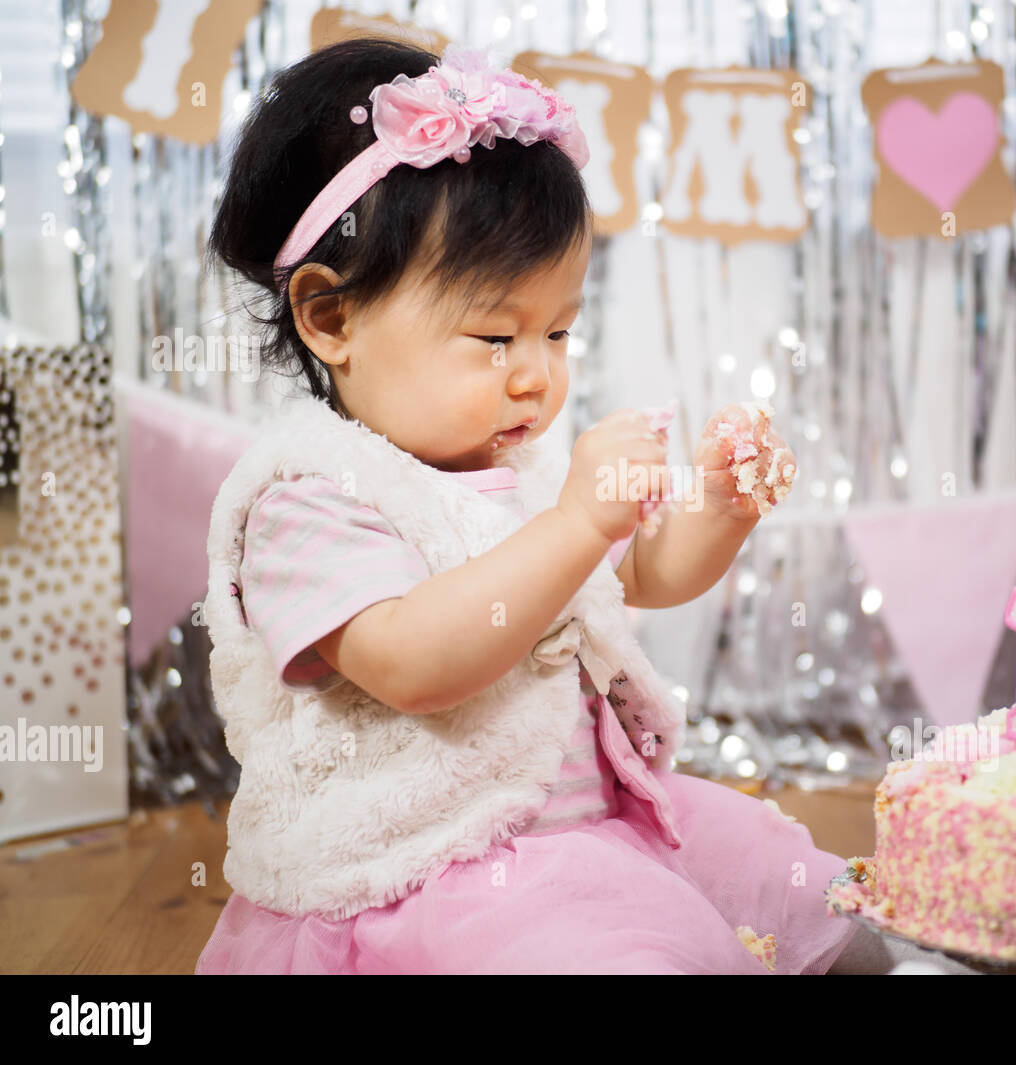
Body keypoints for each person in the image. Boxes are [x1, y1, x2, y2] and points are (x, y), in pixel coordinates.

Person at [194, 37, 968, 975]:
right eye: (494, 335)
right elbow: (411, 661)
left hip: (588, 823)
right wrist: (572, 525)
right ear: (331, 317)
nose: (537, 375)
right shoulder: (306, 497)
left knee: (769, 867)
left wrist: (718, 507)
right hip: (429, 874)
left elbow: (640, 573)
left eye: (559, 330)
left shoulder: (517, 469)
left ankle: (891, 965)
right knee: (604, 946)